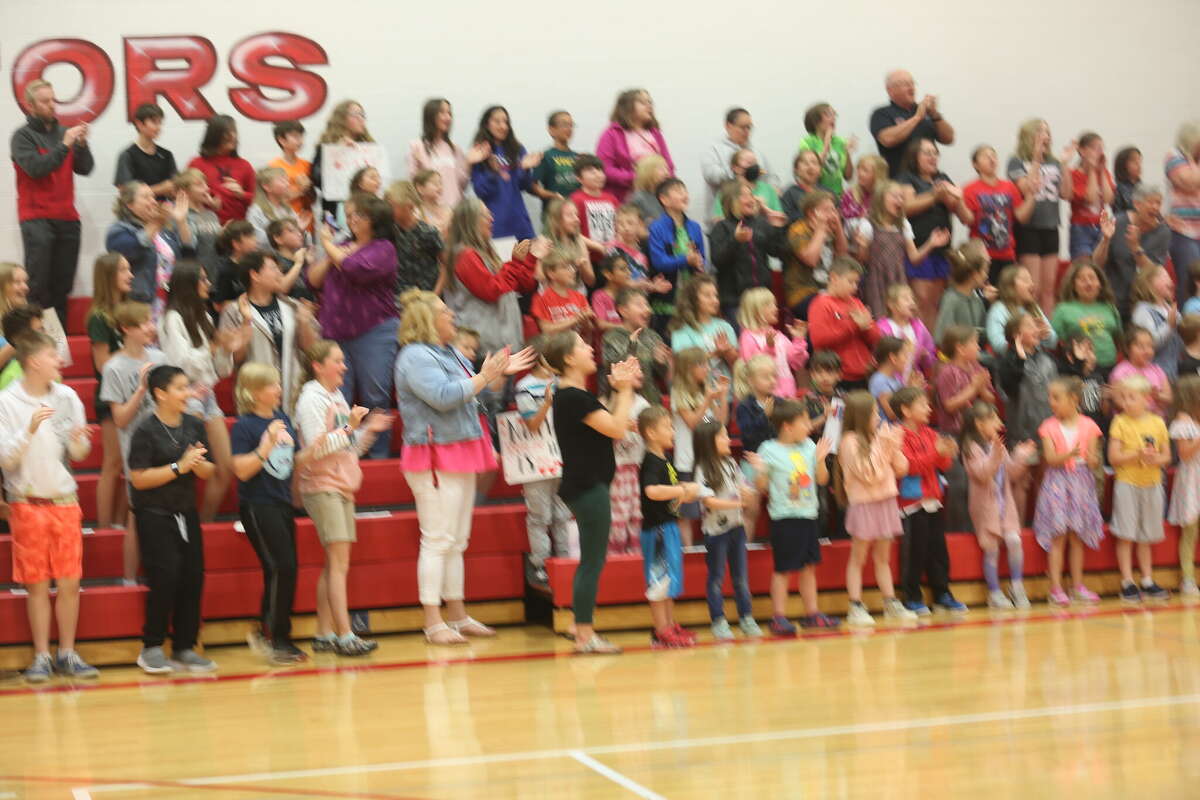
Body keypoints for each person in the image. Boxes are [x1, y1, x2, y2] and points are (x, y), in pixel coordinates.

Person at [394, 291, 534, 644]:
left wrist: (496, 376)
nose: (452, 316)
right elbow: (443, 397)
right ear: (428, 320)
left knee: (456, 541)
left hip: (460, 448)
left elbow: (472, 395)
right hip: (434, 453)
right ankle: (432, 621)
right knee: (438, 539)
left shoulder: (449, 352)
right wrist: (484, 377)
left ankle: (456, 615)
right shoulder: (414, 356)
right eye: (444, 312)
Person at [0, 332, 96, 682]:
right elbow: (6, 461)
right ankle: (41, 655)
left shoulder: (68, 397)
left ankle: (67, 653)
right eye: (53, 355)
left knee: (70, 582)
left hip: (64, 501)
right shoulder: (6, 401)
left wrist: (80, 442)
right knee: (37, 585)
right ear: (33, 361)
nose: (60, 361)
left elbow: (79, 455)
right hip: (27, 504)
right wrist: (28, 430)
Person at [546, 331, 641, 654]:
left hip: (586, 485)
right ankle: (585, 633)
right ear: (569, 359)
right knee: (592, 562)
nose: (590, 348)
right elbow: (616, 427)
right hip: (588, 487)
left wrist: (619, 393)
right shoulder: (573, 397)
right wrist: (626, 389)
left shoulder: (573, 396)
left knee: (591, 560)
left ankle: (579, 624)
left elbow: (612, 424)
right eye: (582, 345)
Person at [295, 340, 389, 656]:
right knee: (339, 564)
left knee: (333, 563)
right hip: (322, 485)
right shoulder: (311, 399)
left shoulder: (335, 396)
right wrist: (350, 427)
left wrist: (368, 431)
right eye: (338, 361)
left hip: (341, 483)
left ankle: (324, 634)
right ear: (318, 366)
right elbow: (315, 449)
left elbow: (346, 448)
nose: (345, 367)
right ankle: (345, 634)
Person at [127, 365, 217, 674]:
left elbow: (209, 470)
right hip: (154, 514)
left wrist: (197, 464)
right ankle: (151, 647)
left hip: (185, 512)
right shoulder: (145, 430)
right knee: (164, 577)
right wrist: (180, 466)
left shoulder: (194, 425)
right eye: (180, 388)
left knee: (193, 577)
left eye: (187, 387)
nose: (187, 393)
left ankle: (184, 647)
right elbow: (138, 479)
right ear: (160, 394)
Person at [311, 194, 400, 458]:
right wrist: (330, 253)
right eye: (349, 215)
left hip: (374, 329)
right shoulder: (342, 246)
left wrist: (328, 244)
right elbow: (313, 279)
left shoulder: (384, 248)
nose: (350, 220)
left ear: (374, 220)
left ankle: (378, 456)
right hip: (336, 332)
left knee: (375, 394)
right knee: (338, 397)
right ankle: (341, 453)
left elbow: (355, 269)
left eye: (357, 215)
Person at [230, 364, 306, 665]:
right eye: (273, 385)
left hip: (282, 502)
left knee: (285, 568)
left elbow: (293, 460)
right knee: (281, 567)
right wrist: (266, 445)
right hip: (258, 505)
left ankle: (272, 634)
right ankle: (276, 638)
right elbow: (241, 470)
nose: (279, 389)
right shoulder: (244, 426)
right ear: (255, 392)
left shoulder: (283, 418)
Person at [159, 263, 242, 523]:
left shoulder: (204, 316)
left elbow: (219, 371)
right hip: (184, 398)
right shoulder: (171, 318)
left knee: (225, 468)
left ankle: (203, 523)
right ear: (189, 284)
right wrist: (215, 347)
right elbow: (180, 363)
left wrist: (226, 350)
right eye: (203, 280)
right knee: (188, 469)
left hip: (207, 395)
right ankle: (185, 525)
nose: (209, 285)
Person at [748, 400, 838, 634]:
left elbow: (822, 480)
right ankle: (778, 616)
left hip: (808, 516)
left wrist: (819, 460)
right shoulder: (768, 450)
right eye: (804, 422)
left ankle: (812, 614)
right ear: (787, 426)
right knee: (783, 569)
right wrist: (760, 471)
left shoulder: (809, 446)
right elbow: (761, 486)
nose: (809, 426)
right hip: (785, 519)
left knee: (809, 568)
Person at [11, 79, 94, 325]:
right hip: (36, 218)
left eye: (52, 99)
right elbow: (37, 169)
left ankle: (60, 345)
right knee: (38, 284)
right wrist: (65, 145)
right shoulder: (22, 137)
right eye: (45, 101)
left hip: (67, 217)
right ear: (31, 105)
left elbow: (85, 168)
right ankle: (37, 340)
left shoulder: (63, 132)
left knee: (62, 284)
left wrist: (81, 145)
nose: (51, 105)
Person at [99, 301, 166, 583]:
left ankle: (162, 575)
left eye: (151, 321)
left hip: (167, 444)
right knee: (137, 517)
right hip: (138, 452)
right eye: (143, 323)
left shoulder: (161, 358)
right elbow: (121, 420)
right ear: (126, 329)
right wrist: (141, 390)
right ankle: (128, 579)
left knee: (166, 516)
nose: (150, 328)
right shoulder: (113, 367)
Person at [838, 390, 913, 626]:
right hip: (864, 505)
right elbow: (869, 474)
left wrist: (894, 446)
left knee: (883, 557)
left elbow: (901, 468)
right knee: (858, 557)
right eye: (874, 413)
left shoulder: (877, 438)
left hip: (886, 502)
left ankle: (890, 602)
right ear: (861, 416)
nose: (879, 417)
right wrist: (883, 445)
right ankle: (855, 606)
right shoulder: (849, 442)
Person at [892, 386, 964, 616]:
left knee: (938, 550)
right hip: (912, 504)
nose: (928, 408)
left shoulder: (930, 433)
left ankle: (942, 593)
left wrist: (947, 453)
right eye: (922, 405)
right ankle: (912, 596)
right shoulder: (898, 435)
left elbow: (943, 466)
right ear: (905, 409)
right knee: (915, 551)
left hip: (933, 499)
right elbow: (910, 467)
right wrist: (936, 454)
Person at [218, 250, 318, 415]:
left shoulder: (293, 306)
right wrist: (245, 324)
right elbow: (233, 362)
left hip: (293, 393)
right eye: (273, 268)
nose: (280, 274)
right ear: (255, 275)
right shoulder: (234, 311)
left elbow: (311, 351)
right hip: (257, 397)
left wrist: (304, 322)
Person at [1033, 377, 1105, 606]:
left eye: (1056, 398)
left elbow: (1093, 460)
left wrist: (1093, 460)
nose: (1051, 402)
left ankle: (1077, 586)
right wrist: (1068, 455)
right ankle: (1055, 588)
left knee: (1077, 537)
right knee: (1058, 536)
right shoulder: (1048, 427)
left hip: (1081, 484)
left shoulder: (1090, 426)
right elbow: (1051, 459)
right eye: (1050, 398)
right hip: (1057, 483)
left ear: (1073, 399)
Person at [960, 401, 1036, 609]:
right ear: (979, 424)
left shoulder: (997, 447)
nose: (1000, 423)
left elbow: (1010, 473)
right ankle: (994, 592)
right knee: (991, 550)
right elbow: (983, 474)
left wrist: (1021, 457)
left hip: (1005, 506)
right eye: (994, 419)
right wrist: (995, 454)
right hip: (985, 509)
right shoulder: (971, 449)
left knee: (1014, 540)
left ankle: (1016, 586)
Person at [637, 405, 700, 649]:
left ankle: (669, 625)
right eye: (668, 426)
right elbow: (651, 491)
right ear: (651, 433)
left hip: (668, 527)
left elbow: (669, 495)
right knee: (658, 583)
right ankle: (661, 630)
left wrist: (687, 494)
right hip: (657, 531)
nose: (673, 430)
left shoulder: (666, 459)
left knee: (669, 581)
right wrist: (682, 489)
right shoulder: (651, 461)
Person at [693, 420, 761, 640]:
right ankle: (718, 621)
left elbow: (745, 488)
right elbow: (709, 502)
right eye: (722, 436)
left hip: (736, 529)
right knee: (716, 578)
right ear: (709, 441)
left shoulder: (731, 463)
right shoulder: (702, 468)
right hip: (716, 533)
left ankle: (746, 618)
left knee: (741, 577)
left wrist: (751, 487)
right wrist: (738, 504)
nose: (728, 440)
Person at [1108, 375, 1172, 603]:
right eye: (1123, 397)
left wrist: (1153, 459)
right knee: (1126, 534)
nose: (1125, 402)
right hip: (1127, 484)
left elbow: (1167, 456)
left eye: (1131, 397)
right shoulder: (1120, 422)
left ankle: (1146, 578)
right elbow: (1113, 457)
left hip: (1152, 484)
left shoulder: (1158, 422)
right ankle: (1127, 581)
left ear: (1146, 399)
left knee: (1145, 536)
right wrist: (1137, 454)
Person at [898, 138, 971, 326]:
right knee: (921, 301)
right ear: (915, 157)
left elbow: (966, 218)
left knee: (936, 303)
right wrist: (934, 195)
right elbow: (906, 207)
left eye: (935, 153)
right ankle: (919, 348)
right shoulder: (907, 178)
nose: (933, 157)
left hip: (942, 250)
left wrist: (958, 198)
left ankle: (931, 349)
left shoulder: (942, 178)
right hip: (920, 249)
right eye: (927, 153)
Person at [1008, 119, 1076, 313]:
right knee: (1033, 288)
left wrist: (1064, 164)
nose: (1046, 137)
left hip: (1051, 227)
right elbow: (1027, 188)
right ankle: (1031, 331)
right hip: (1029, 228)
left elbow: (1067, 194)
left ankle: (1048, 338)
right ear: (1029, 136)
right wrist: (1036, 160)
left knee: (1048, 289)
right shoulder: (1017, 161)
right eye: (1040, 132)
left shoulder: (1054, 162)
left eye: (1047, 132)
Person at [855, 179, 950, 318]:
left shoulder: (903, 224)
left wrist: (931, 243)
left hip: (899, 280)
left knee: (900, 319)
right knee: (879, 319)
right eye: (894, 196)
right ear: (881, 198)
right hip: (876, 281)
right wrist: (863, 246)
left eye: (901, 197)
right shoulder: (868, 224)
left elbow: (914, 258)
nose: (899, 200)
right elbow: (863, 259)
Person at [87, 253, 133, 530]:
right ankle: (105, 527)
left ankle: (120, 522)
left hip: (133, 395)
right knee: (113, 462)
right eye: (123, 270)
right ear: (108, 277)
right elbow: (102, 364)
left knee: (129, 464)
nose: (130, 275)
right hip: (112, 396)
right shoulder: (98, 317)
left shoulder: (129, 309)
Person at [105, 181, 194, 316]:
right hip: (140, 303)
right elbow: (135, 249)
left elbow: (188, 252)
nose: (153, 201)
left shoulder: (163, 230)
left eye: (153, 197)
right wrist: (157, 222)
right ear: (129, 204)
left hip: (170, 301)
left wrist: (181, 221)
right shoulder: (119, 231)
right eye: (146, 197)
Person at [669, 347, 729, 546]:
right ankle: (687, 551)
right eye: (701, 364)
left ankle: (712, 548)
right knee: (686, 512)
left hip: (708, 459)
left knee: (712, 505)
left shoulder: (706, 390)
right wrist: (708, 400)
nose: (707, 368)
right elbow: (693, 423)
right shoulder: (678, 393)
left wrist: (722, 397)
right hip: (687, 461)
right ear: (688, 368)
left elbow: (719, 423)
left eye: (706, 364)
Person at [710, 182, 789, 321]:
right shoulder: (722, 227)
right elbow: (717, 260)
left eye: (751, 195)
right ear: (731, 200)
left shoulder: (761, 223)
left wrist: (778, 228)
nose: (751, 199)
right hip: (735, 300)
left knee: (761, 340)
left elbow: (779, 252)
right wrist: (735, 240)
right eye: (744, 195)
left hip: (761, 297)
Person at [962, 144, 1035, 284]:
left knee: (1007, 296)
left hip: (1007, 253)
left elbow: (1021, 217)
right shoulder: (969, 189)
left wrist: (1032, 195)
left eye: (994, 156)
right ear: (975, 164)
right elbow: (968, 220)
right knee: (985, 298)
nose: (992, 159)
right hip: (982, 256)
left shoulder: (1009, 187)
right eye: (986, 156)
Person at [1095, 185, 1171, 318]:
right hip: (1114, 300)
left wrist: (1135, 248)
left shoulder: (1162, 232)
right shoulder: (1117, 223)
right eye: (1151, 202)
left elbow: (1154, 272)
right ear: (1137, 204)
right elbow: (1096, 263)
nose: (1155, 207)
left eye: (1158, 203)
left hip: (1145, 304)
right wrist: (1106, 240)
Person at [470, 106, 541, 242]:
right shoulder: (480, 150)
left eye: (506, 122)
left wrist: (525, 168)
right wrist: (492, 173)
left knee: (528, 261)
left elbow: (524, 185)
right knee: (501, 262)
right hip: (495, 223)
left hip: (520, 222)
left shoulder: (517, 149)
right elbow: (480, 191)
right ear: (487, 124)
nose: (503, 126)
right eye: (497, 122)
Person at [808, 258, 880, 391]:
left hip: (864, 374)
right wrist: (854, 325)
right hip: (839, 378)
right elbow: (819, 341)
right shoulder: (820, 304)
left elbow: (876, 337)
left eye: (857, 282)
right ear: (834, 278)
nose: (855, 287)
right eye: (850, 281)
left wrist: (866, 328)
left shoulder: (856, 302)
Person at [869, 70, 954, 178]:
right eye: (905, 84)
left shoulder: (926, 111)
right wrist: (917, 118)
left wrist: (934, 114)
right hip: (899, 182)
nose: (911, 88)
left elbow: (949, 139)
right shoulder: (881, 113)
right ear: (890, 90)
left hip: (929, 180)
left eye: (912, 83)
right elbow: (887, 139)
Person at [646, 178, 705, 330]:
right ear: (664, 200)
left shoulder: (695, 227)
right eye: (678, 191)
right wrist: (686, 259)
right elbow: (659, 262)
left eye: (685, 190)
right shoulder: (657, 227)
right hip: (667, 296)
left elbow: (702, 259)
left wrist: (699, 263)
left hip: (692, 294)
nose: (684, 195)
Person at [596, 88, 675, 201]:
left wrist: (667, 183)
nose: (649, 106)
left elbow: (669, 166)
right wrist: (640, 178)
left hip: (657, 198)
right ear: (627, 107)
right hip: (625, 200)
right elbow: (605, 169)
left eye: (650, 102)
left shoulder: (655, 134)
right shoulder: (612, 134)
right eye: (643, 102)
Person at [604, 369, 651, 556]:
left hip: (637, 466)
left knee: (636, 515)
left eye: (640, 370)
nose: (639, 373)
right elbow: (603, 436)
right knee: (618, 517)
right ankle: (615, 557)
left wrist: (642, 429)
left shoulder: (643, 404)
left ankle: (636, 556)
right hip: (616, 469)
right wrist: (622, 426)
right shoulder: (607, 403)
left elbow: (653, 434)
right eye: (634, 370)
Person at [732, 354, 777, 539]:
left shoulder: (778, 403)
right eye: (765, 376)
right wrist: (764, 416)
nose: (771, 381)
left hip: (776, 462)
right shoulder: (744, 406)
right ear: (751, 380)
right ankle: (746, 548)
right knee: (751, 509)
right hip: (752, 463)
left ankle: (779, 544)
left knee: (779, 504)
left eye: (773, 376)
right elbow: (747, 435)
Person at [670, 275, 738, 395]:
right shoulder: (681, 330)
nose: (715, 300)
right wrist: (715, 353)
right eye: (707, 296)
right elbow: (683, 364)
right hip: (696, 396)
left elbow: (736, 364)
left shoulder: (724, 326)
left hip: (724, 395)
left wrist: (728, 352)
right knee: (706, 415)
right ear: (693, 299)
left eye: (715, 295)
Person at [601, 288, 671, 404]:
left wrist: (661, 362)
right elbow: (614, 371)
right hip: (624, 404)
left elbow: (663, 376)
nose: (647, 309)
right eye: (639, 305)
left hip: (651, 402)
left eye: (647, 304)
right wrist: (632, 346)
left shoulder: (653, 336)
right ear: (623, 311)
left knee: (707, 421)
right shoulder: (611, 337)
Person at [1051, 260, 1124, 371]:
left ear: (1100, 284)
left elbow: (1119, 339)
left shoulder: (1109, 307)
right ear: (1073, 285)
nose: (1088, 283)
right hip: (1079, 370)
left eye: (1092, 278)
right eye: (1082, 279)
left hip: (1110, 368)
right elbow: (1053, 343)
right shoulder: (1063, 309)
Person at [0, 263, 70, 379]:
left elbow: (63, 359)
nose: (26, 288)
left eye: (26, 282)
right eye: (17, 282)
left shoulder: (43, 316)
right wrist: (17, 340)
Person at [784, 191, 849, 315]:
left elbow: (842, 257)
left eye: (833, 209)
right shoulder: (798, 229)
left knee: (852, 307)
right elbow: (811, 260)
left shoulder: (831, 228)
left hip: (828, 291)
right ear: (811, 213)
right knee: (834, 313)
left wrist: (839, 227)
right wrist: (820, 231)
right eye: (826, 210)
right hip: (802, 293)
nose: (832, 214)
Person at [999, 312, 1059, 447]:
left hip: (1050, 431)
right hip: (1023, 436)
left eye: (1036, 326)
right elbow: (1009, 389)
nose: (1036, 330)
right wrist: (1020, 359)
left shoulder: (1046, 357)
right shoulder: (1007, 361)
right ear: (1016, 334)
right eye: (1029, 326)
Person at [700, 108, 774, 212]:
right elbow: (710, 175)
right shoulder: (714, 150)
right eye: (743, 127)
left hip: (757, 216)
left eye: (749, 127)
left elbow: (770, 176)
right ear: (728, 126)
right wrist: (740, 172)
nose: (747, 131)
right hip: (724, 214)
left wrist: (772, 189)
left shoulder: (756, 152)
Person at [311, 100, 375, 219]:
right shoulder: (326, 147)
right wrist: (337, 153)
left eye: (363, 115)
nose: (361, 119)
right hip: (337, 212)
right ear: (341, 118)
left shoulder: (369, 148)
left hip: (366, 211)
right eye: (356, 114)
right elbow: (317, 180)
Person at [737, 287, 807, 397]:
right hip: (765, 396)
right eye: (770, 305)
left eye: (775, 304)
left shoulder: (778, 335)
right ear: (756, 311)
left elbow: (796, 363)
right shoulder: (748, 337)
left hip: (788, 392)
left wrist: (798, 340)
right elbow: (752, 368)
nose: (776, 309)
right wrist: (769, 347)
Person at [407, 98, 473, 208]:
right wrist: (424, 162)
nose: (448, 117)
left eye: (449, 113)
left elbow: (461, 185)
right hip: (429, 211)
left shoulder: (455, 149)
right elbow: (414, 183)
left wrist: (469, 163)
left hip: (455, 210)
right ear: (431, 116)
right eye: (442, 113)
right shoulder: (416, 146)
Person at [188, 115, 254, 224]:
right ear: (215, 135)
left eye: (234, 132)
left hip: (237, 229)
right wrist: (206, 199)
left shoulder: (244, 165)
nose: (233, 136)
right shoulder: (197, 163)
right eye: (228, 133)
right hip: (206, 227)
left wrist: (242, 194)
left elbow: (257, 201)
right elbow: (187, 196)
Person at [1169, 375, 1200, 596]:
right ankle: (1188, 579)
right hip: (1192, 479)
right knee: (1190, 532)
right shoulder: (1183, 422)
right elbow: (1185, 454)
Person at [385, 180, 444, 295]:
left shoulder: (428, 232)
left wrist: (435, 293)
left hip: (427, 296)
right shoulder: (389, 232)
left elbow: (446, 265)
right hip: (400, 297)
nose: (389, 210)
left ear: (409, 206)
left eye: (393, 206)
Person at [935, 324, 996, 434]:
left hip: (977, 430)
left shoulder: (977, 367)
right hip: (954, 431)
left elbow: (991, 400)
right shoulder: (947, 372)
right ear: (960, 349)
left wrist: (981, 389)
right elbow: (949, 406)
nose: (978, 347)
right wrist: (974, 388)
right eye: (974, 343)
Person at [1165, 122, 1200, 309]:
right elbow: (1190, 182)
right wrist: (1194, 162)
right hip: (1184, 230)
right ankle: (1187, 324)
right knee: (1189, 279)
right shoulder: (1174, 156)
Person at [986, 265, 1056, 357]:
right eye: (1026, 280)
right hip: (1013, 364)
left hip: (1035, 361)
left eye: (1031, 280)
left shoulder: (1034, 308)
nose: (1032, 284)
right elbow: (997, 344)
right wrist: (1022, 346)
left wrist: (1046, 334)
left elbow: (1053, 342)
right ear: (1010, 285)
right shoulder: (998, 309)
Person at [933, 240, 994, 347]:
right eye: (984, 271)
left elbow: (984, 334)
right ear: (974, 274)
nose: (986, 276)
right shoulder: (951, 299)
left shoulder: (976, 300)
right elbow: (940, 337)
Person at [1067, 132, 1116, 259]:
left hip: (1100, 226)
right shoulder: (1074, 174)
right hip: (1081, 227)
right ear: (1082, 151)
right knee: (1084, 265)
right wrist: (1093, 170)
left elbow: (1108, 199)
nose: (1099, 153)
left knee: (1100, 267)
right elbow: (1091, 198)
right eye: (1095, 148)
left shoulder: (1104, 173)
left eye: (1101, 149)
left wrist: (1102, 170)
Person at [113, 103, 176, 199]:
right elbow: (125, 192)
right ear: (139, 124)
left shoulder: (166, 155)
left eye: (160, 122)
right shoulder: (128, 155)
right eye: (154, 122)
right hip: (137, 212)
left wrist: (173, 190)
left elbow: (173, 188)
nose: (158, 127)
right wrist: (160, 189)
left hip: (163, 211)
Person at [1130, 264, 1182, 379]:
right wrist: (1169, 325)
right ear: (1148, 282)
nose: (1170, 280)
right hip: (1155, 374)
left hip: (1175, 370)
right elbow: (1149, 344)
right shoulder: (1142, 310)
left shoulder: (1169, 308)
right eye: (1164, 276)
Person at [173, 168, 223, 284]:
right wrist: (182, 221)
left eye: (205, 184)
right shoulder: (180, 216)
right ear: (184, 191)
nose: (206, 188)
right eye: (199, 185)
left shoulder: (211, 214)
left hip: (215, 277)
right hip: (195, 280)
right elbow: (189, 247)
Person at [876, 284, 936, 380]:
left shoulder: (919, 327)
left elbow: (931, 355)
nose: (912, 302)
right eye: (906, 299)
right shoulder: (881, 328)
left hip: (913, 381)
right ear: (891, 305)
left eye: (912, 299)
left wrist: (925, 357)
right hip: (891, 382)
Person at [798, 102, 856, 198]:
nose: (833, 118)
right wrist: (826, 144)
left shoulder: (840, 141)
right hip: (815, 196)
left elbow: (848, 177)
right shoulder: (807, 142)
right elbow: (811, 170)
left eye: (834, 114)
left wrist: (847, 153)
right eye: (828, 114)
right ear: (816, 121)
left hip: (837, 196)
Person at [1110, 326, 1172, 417]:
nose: (1147, 351)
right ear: (1127, 349)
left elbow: (1169, 398)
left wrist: (1157, 396)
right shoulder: (1120, 372)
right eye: (1140, 346)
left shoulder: (1157, 370)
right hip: (1130, 422)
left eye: (1150, 346)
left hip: (1156, 421)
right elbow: (1117, 401)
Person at [266, 120, 314, 232]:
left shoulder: (307, 165)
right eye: (295, 136)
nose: (300, 140)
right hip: (285, 224)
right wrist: (301, 190)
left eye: (301, 136)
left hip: (307, 222)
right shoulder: (274, 167)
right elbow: (275, 198)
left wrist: (308, 189)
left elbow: (313, 198)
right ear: (282, 140)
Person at [532, 250, 592, 335]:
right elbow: (547, 330)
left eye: (572, 266)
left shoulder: (580, 297)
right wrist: (576, 319)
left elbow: (589, 331)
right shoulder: (540, 298)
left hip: (579, 345)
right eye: (565, 267)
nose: (573, 271)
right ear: (551, 273)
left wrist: (585, 320)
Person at [531, 110, 580, 211]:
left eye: (571, 125)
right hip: (553, 213)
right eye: (564, 124)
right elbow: (534, 187)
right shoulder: (545, 156)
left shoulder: (578, 157)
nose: (569, 128)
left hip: (576, 213)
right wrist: (553, 196)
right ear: (551, 129)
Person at [571, 154, 620, 247]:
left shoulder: (611, 199)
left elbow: (619, 225)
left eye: (600, 170)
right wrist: (598, 247)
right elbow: (573, 233)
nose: (598, 175)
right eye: (591, 171)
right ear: (579, 178)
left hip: (612, 253)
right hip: (588, 255)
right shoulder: (576, 199)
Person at [246, 167, 298, 247]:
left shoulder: (287, 209)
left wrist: (300, 230)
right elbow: (259, 240)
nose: (288, 184)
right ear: (266, 187)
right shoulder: (256, 211)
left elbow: (299, 236)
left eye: (287, 180)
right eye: (282, 181)